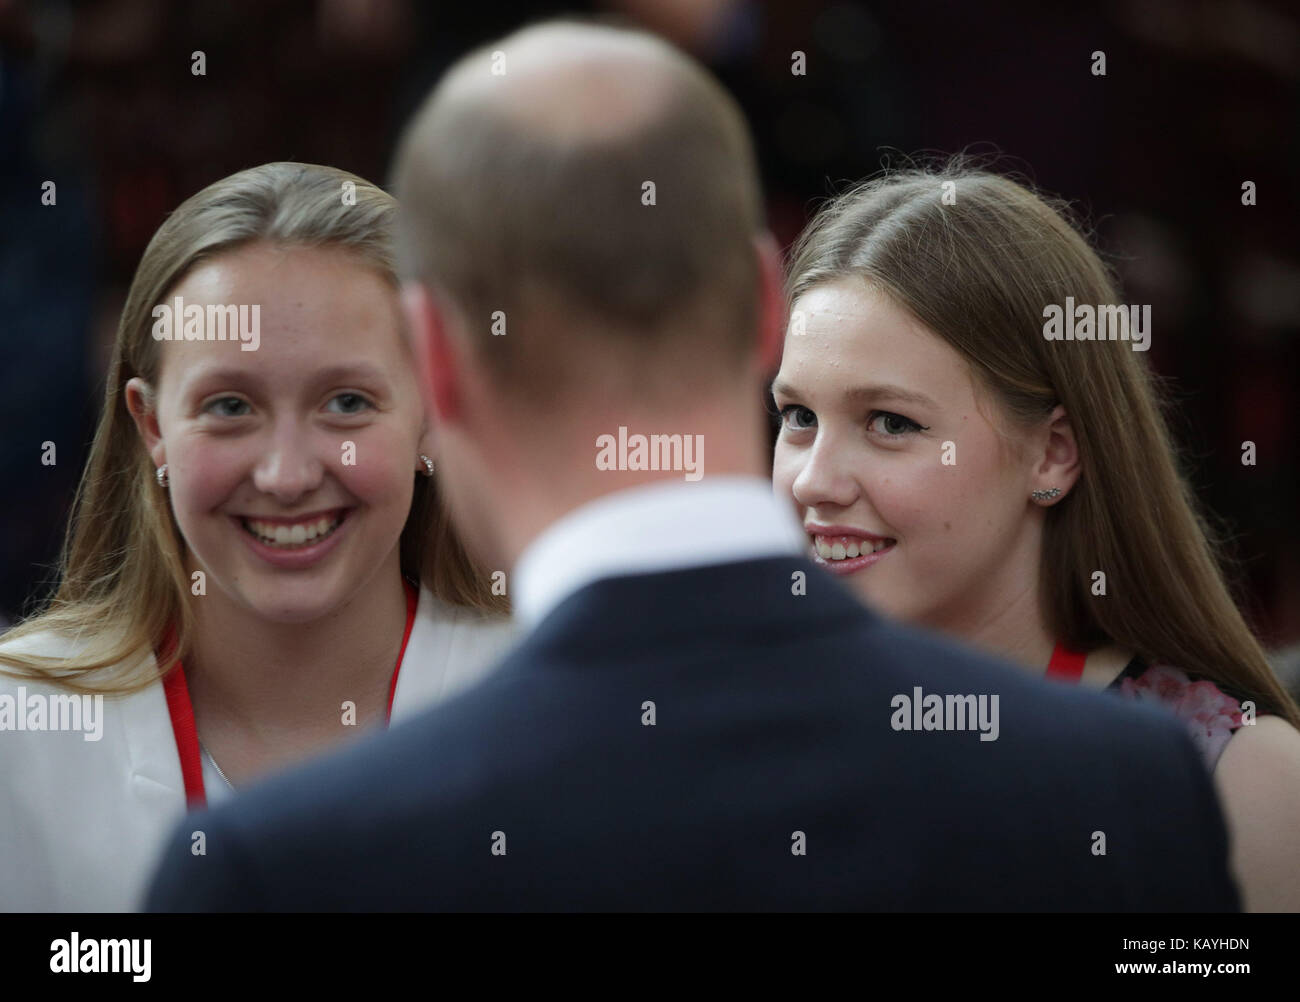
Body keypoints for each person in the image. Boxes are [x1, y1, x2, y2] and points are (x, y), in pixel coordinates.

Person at [145, 21, 1236, 911]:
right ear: (769, 305)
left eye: (891, 424)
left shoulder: (285, 871)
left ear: (433, 357)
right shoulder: (1121, 788)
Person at [772, 163, 1300, 911]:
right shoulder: (735, 734)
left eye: (891, 423)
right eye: (798, 417)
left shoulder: (1238, 783)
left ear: (1053, 453)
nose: (813, 481)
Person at [0, 162, 517, 911]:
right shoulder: (21, 723)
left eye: (346, 402)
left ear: (431, 411)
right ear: (152, 428)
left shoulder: (557, 709)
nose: (284, 474)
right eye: (231, 406)